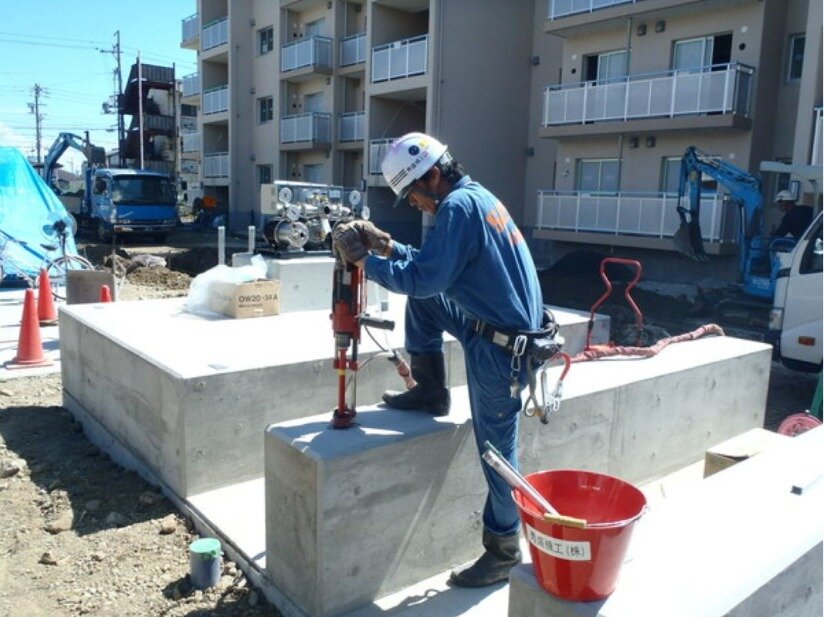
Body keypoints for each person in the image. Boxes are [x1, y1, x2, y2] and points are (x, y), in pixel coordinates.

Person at [332, 132, 545, 587]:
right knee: (425, 303)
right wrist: (387, 247)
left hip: (501, 353)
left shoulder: (457, 208)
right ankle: (430, 391)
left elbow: (423, 277)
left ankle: (503, 550)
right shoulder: (476, 199)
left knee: (497, 454)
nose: (414, 205)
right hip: (490, 327)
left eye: (412, 194)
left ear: (431, 176)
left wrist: (364, 261)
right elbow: (433, 271)